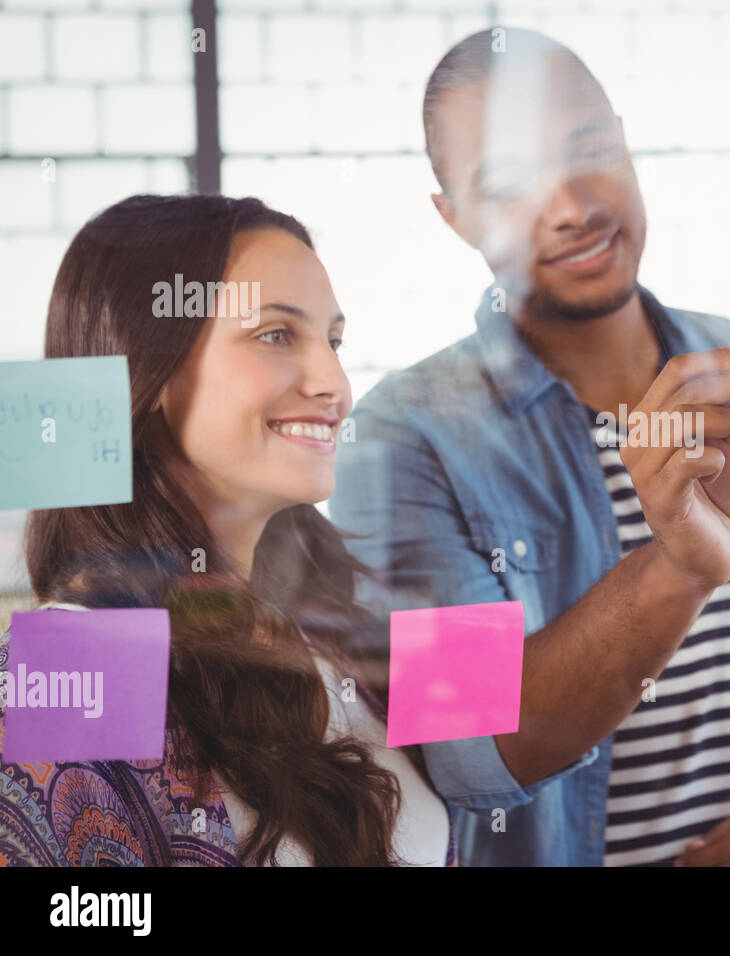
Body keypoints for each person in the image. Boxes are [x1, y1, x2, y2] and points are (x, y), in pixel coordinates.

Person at [331, 27, 730, 867]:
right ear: (454, 217)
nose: (572, 205)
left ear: (625, 136)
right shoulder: (398, 439)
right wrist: (679, 565)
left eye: (590, 148)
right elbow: (470, 748)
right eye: (507, 183)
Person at [0, 194, 453, 867]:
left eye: (334, 341)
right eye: (276, 335)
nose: (334, 384)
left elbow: (539, 717)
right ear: (147, 368)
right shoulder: (72, 664)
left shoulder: (339, 620)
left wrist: (666, 565)